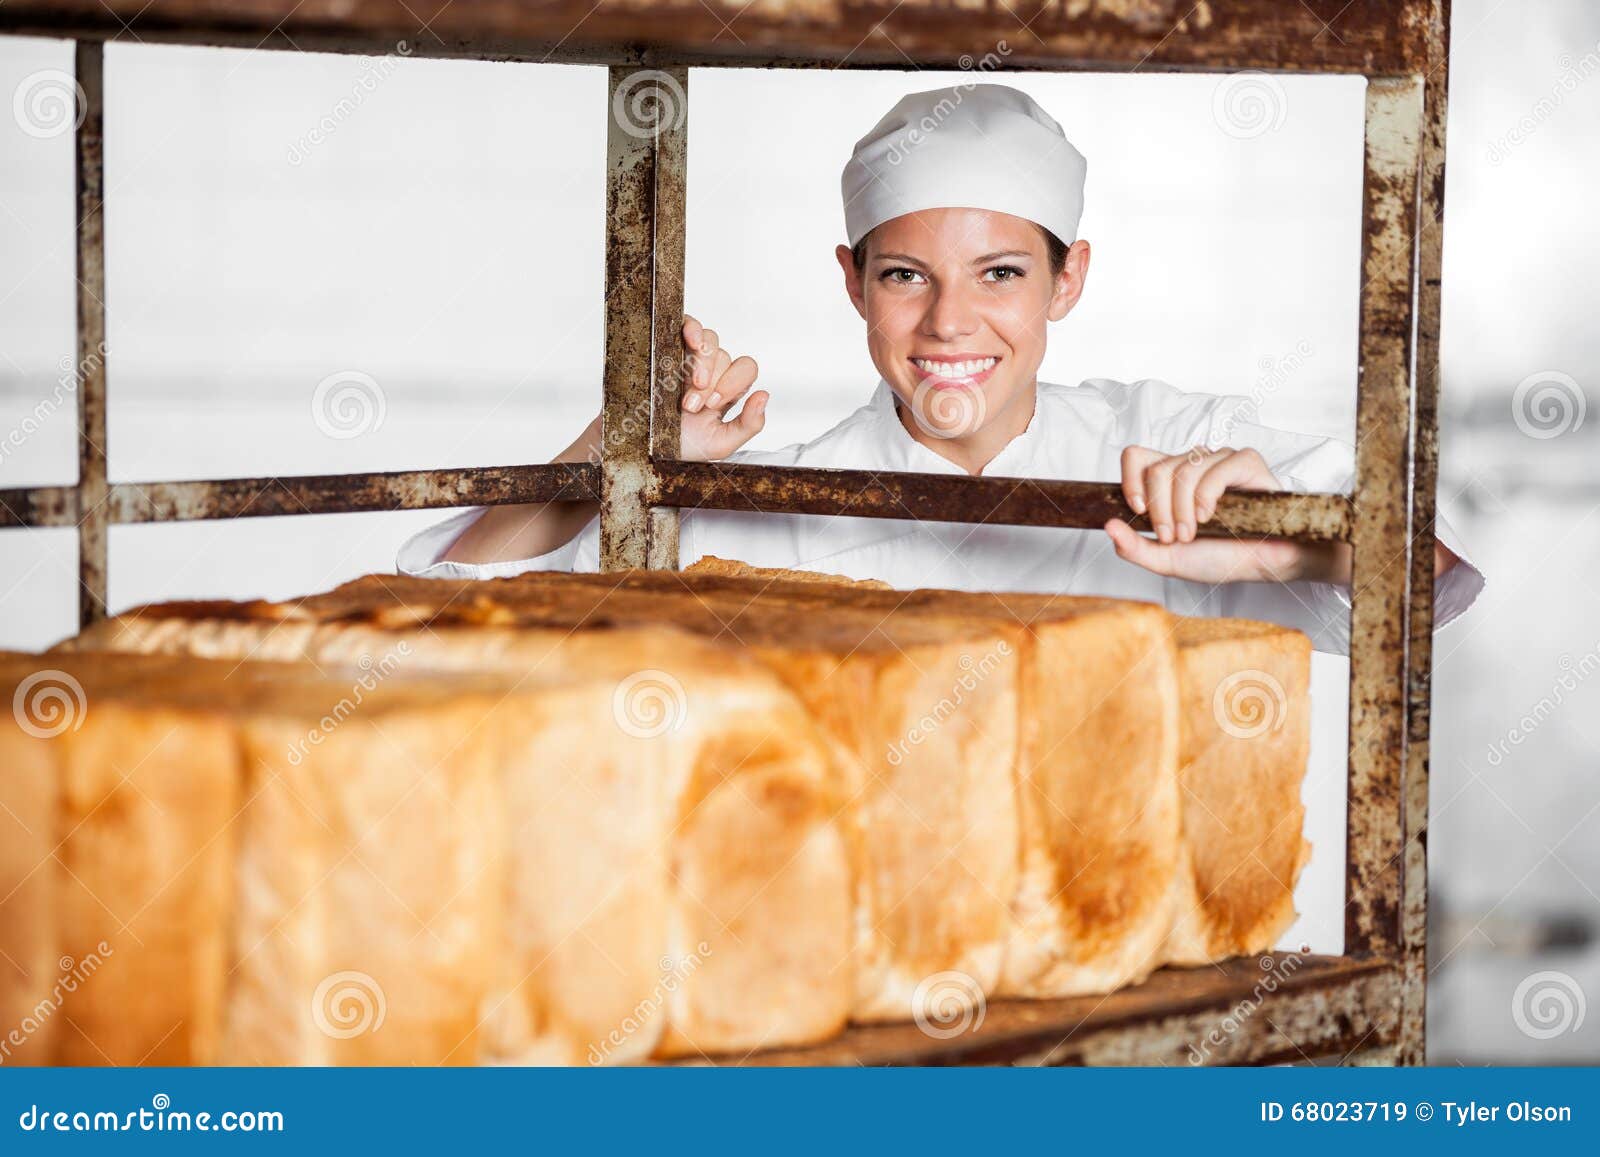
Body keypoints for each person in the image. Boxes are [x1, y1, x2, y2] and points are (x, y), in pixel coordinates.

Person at [397, 83, 1482, 656]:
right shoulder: (761, 508)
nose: (949, 320)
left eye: (1000, 272)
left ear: (1068, 279)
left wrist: (1283, 547)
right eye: (907, 274)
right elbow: (435, 618)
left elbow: (1425, 585)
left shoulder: (1178, 443)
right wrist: (620, 455)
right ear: (853, 281)